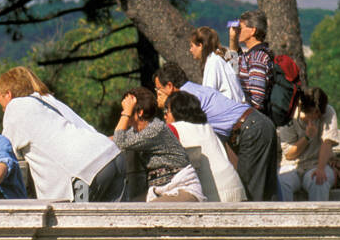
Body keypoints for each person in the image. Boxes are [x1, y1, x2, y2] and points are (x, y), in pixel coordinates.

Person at [0, 66, 126, 202]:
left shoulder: (14, 107)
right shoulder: (47, 100)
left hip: (83, 171)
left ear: (8, 94)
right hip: (110, 154)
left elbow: (5, 152)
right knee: (116, 222)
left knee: (77, 222)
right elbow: (88, 129)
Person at [155, 61, 278, 201]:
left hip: (249, 128)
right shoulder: (197, 90)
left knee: (251, 191)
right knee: (267, 189)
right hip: (258, 123)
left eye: (158, 89)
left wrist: (166, 107)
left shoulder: (186, 100)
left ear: (169, 86)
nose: (157, 94)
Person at [113, 88, 204, 201]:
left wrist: (126, 113)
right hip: (163, 191)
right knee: (128, 210)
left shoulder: (156, 128)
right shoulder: (137, 132)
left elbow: (119, 141)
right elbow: (117, 138)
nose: (123, 114)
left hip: (182, 189)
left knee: (145, 214)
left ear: (140, 112)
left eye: (126, 110)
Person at [164, 90, 246, 202]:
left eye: (166, 111)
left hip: (216, 195)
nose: (164, 116)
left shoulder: (174, 128)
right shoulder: (207, 127)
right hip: (235, 187)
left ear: (177, 111)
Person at [277, 86, 338, 202]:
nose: (316, 116)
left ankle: (318, 220)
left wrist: (320, 168)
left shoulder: (328, 111)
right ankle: (285, 219)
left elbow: (327, 142)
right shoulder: (289, 116)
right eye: (314, 113)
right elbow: (289, 155)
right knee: (281, 182)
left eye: (319, 113)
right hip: (291, 165)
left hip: (317, 163)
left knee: (319, 181)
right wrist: (307, 137)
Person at [229, 10, 275, 111]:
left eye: (240, 28)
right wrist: (233, 38)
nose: (238, 31)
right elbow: (234, 65)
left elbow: (257, 99)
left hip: (254, 120)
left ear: (253, 30)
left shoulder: (257, 58)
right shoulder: (251, 55)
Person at [189, 26, 244, 102]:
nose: (190, 50)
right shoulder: (220, 58)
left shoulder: (213, 62)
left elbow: (208, 95)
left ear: (200, 46)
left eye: (192, 46)